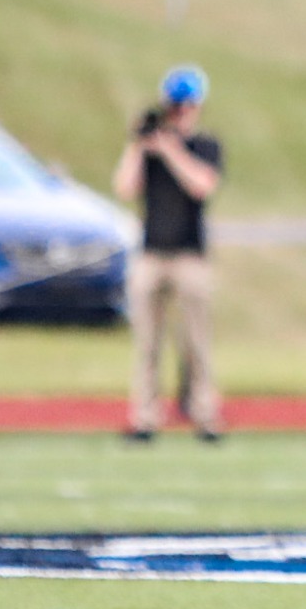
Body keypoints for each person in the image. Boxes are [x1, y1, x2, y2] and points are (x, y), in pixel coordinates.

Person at [112, 65, 224, 443]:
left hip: (190, 254)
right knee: (147, 342)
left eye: (185, 106)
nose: (179, 113)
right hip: (151, 253)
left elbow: (202, 185)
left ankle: (206, 415)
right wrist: (138, 145)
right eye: (175, 107)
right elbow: (125, 188)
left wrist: (171, 148)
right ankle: (145, 418)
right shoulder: (149, 148)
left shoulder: (204, 146)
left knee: (196, 341)